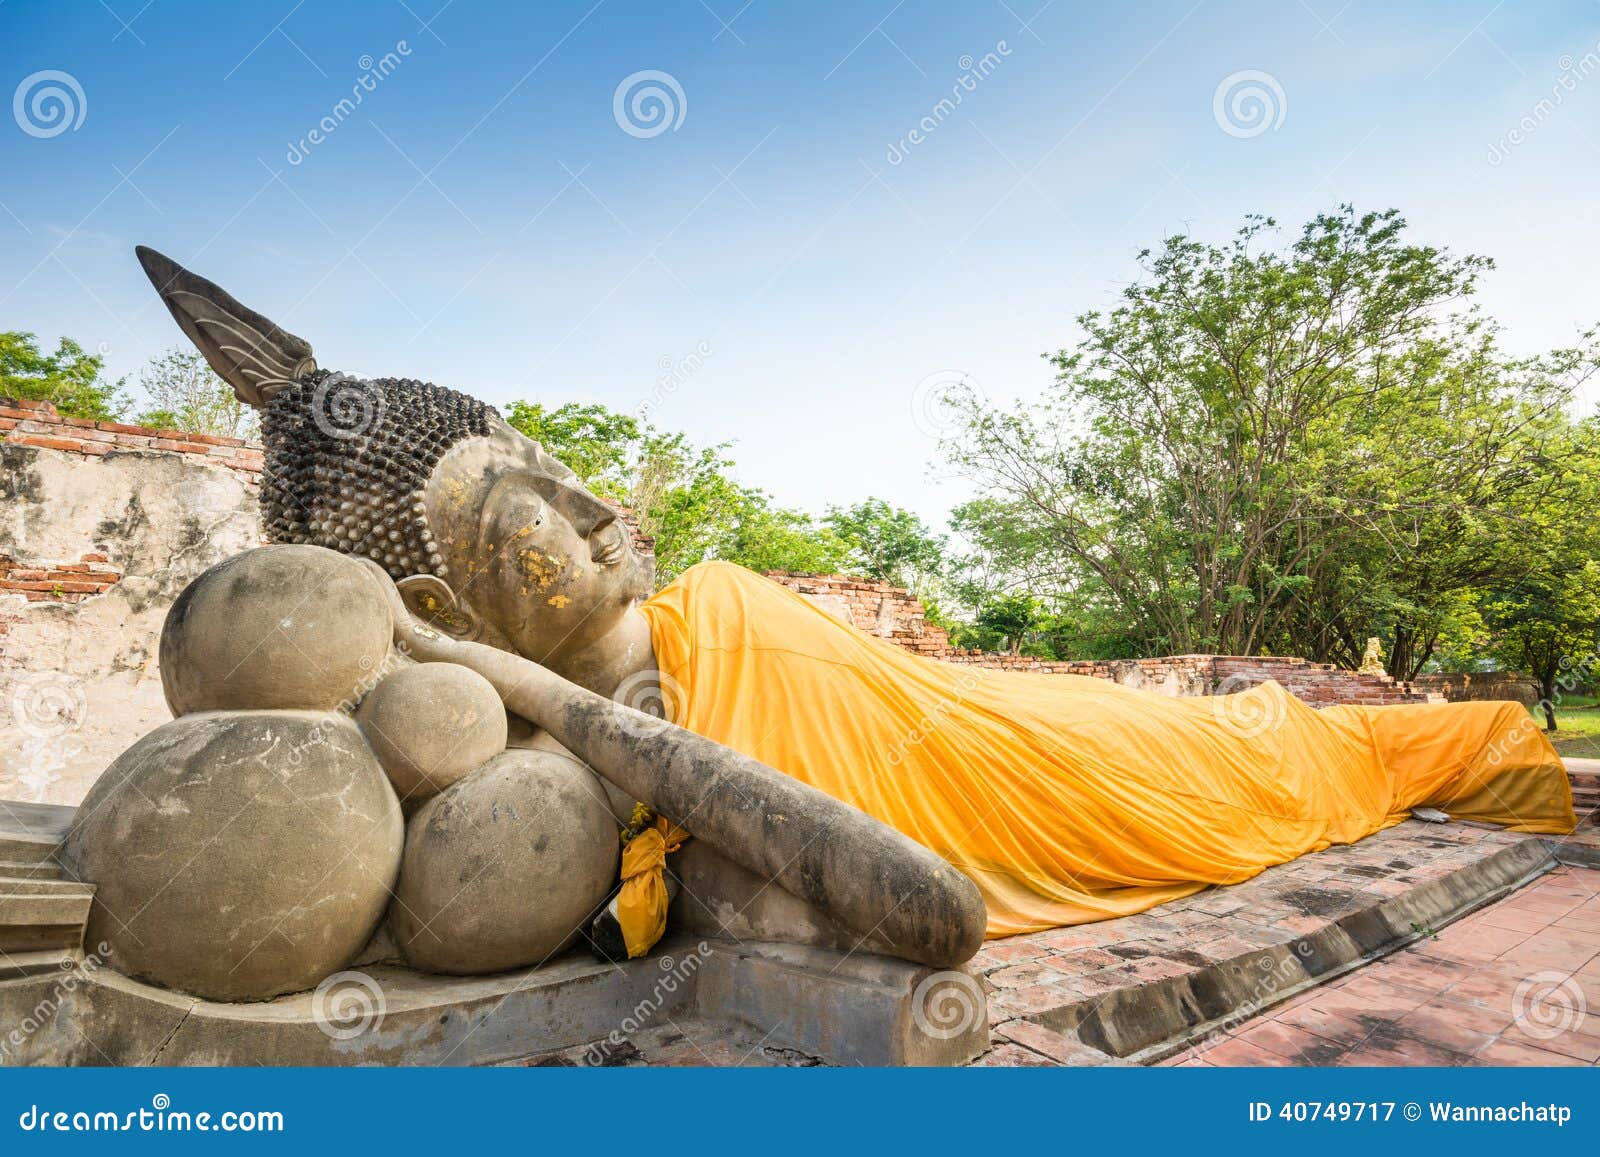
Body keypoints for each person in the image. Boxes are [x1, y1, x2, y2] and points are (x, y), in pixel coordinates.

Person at [137, 246, 1577, 960]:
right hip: (969, 787)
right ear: (447, 602)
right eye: (538, 529)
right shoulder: (556, 747)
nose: (596, 513)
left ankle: (1439, 740)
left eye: (568, 482)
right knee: (1196, 761)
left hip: (1015, 734)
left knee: (1233, 750)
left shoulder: (720, 607)